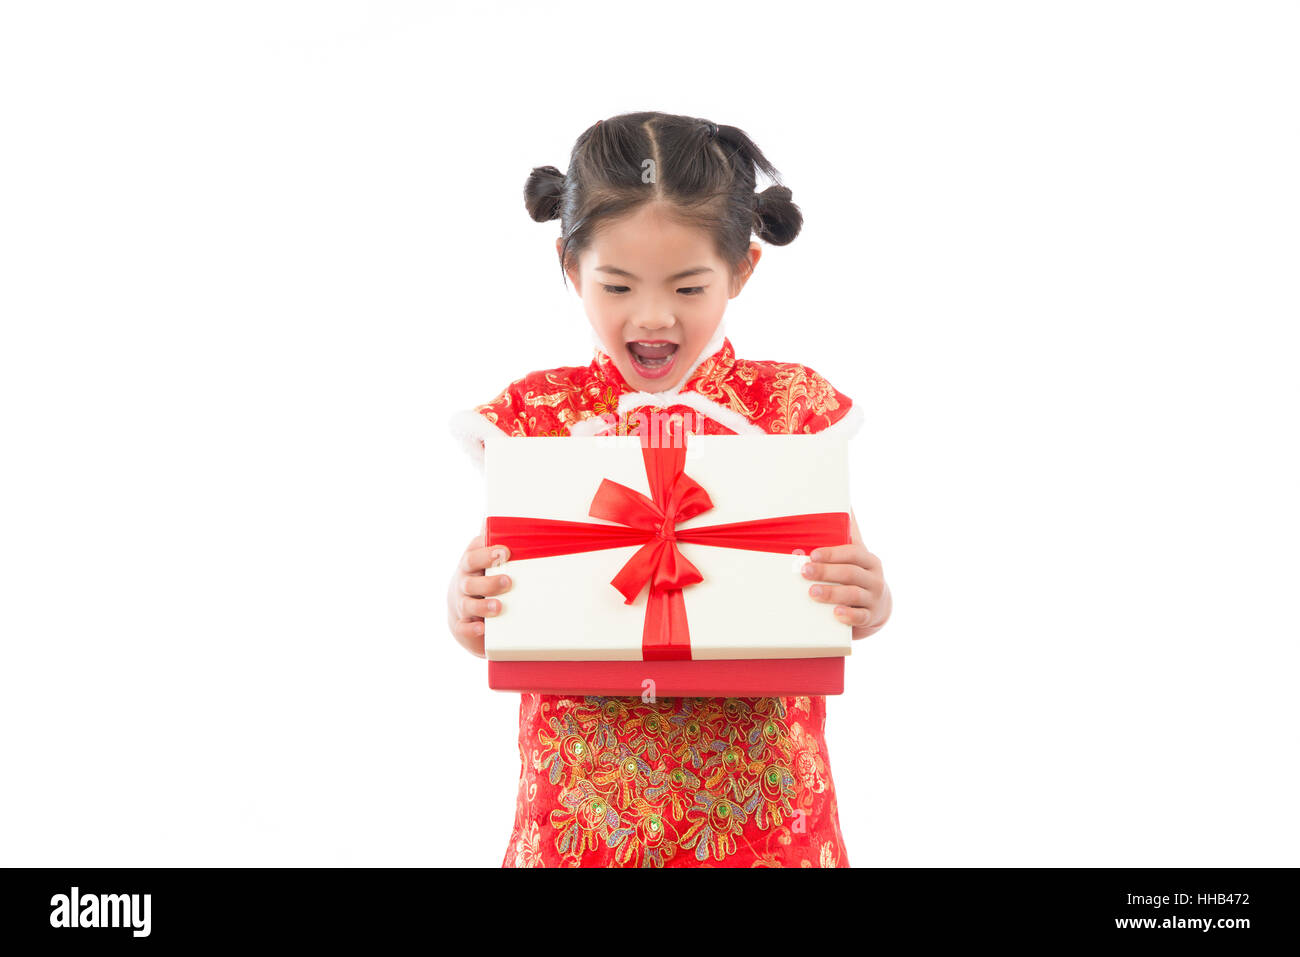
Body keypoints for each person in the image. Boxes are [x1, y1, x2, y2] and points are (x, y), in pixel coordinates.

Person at [447, 112, 892, 867]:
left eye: (689, 286)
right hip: (582, 809)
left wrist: (870, 599)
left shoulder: (789, 415)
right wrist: (468, 609)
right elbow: (504, 617)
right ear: (568, 264)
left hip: (763, 811)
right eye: (617, 285)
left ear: (743, 269)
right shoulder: (537, 422)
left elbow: (839, 589)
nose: (653, 317)